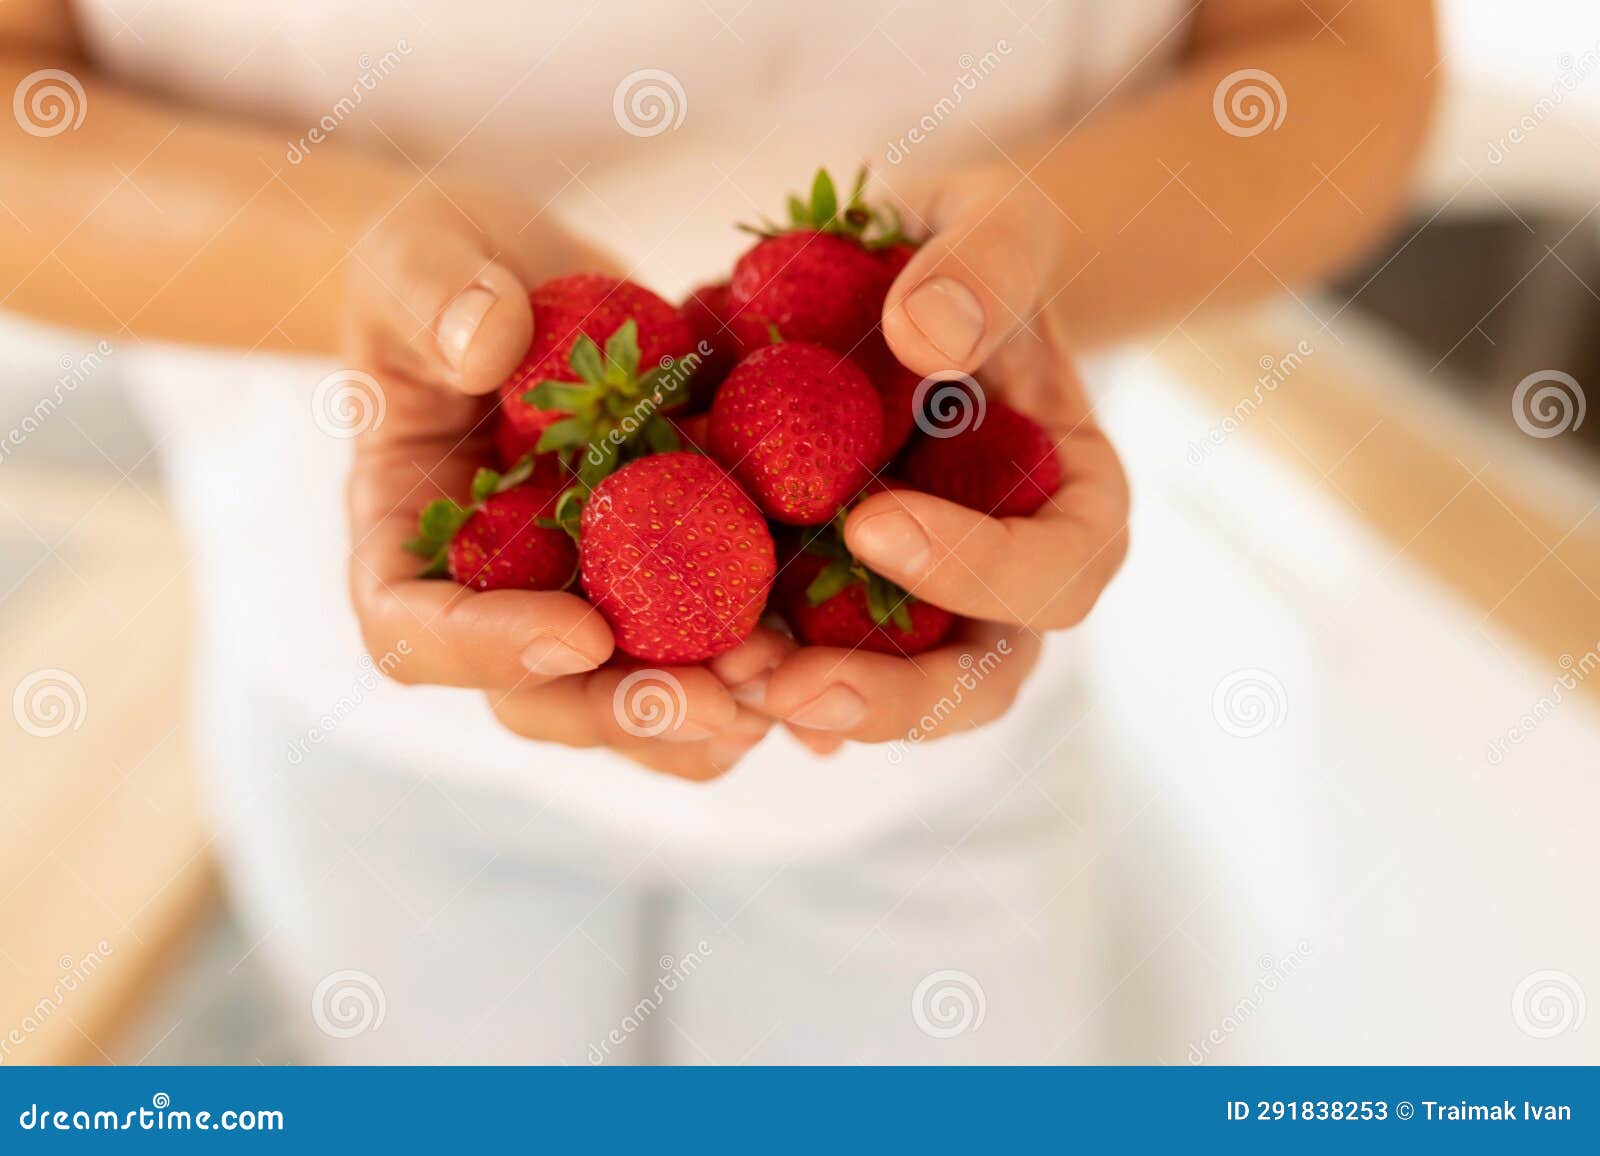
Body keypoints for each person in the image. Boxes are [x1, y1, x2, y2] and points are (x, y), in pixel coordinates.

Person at [0, 0, 1436, 1062]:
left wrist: (1010, 268)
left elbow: (1340, 58)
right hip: (363, 732)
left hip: (934, 771)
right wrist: (363, 270)